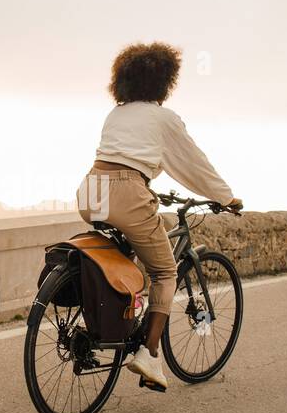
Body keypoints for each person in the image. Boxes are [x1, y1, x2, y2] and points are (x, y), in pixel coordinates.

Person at [76, 42, 242, 390]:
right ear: (163, 81)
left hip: (91, 190)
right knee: (165, 271)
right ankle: (149, 355)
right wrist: (225, 197)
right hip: (127, 191)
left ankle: (110, 320)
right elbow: (192, 161)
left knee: (121, 257)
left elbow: (134, 154)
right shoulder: (163, 117)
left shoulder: (116, 114)